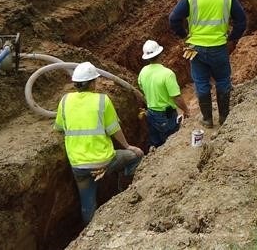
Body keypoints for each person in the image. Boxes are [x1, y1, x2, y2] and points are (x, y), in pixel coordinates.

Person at [53, 61, 144, 225]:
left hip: (78, 165)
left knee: (87, 204)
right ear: (92, 83)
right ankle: (123, 191)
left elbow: (59, 127)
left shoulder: (64, 100)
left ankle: (88, 234)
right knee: (136, 156)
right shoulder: (102, 100)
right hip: (104, 161)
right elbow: (114, 129)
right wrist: (128, 146)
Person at [169, 0, 247, 128]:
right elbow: (241, 20)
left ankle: (207, 119)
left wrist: (184, 35)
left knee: (201, 83)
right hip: (219, 47)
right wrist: (233, 37)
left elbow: (174, 19)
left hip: (196, 49)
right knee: (223, 81)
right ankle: (224, 117)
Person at [138, 39, 190, 148]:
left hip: (151, 113)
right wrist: (186, 110)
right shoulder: (167, 74)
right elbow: (176, 97)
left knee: (156, 141)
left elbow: (142, 87)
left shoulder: (143, 72)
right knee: (171, 141)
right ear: (160, 54)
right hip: (166, 116)